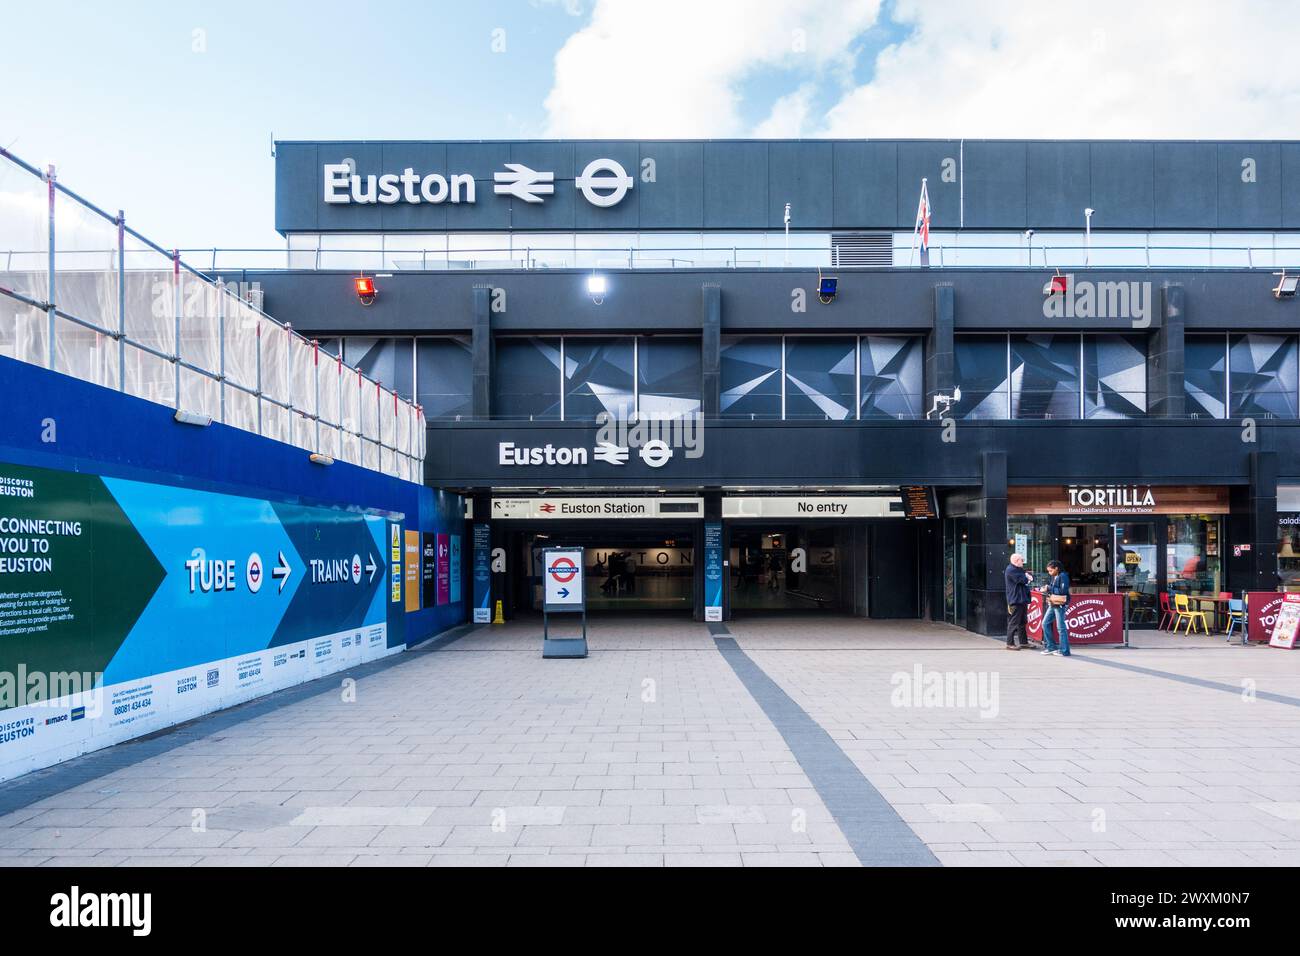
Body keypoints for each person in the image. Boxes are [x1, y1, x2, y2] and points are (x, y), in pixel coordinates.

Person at [1038, 559, 1071, 657]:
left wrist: (1049, 588)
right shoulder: (1055, 576)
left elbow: (1063, 591)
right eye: (1048, 571)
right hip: (1053, 603)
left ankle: (1064, 650)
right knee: (1045, 623)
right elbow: (1054, 589)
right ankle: (1051, 647)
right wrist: (1047, 589)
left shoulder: (1063, 576)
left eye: (1050, 570)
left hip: (1060, 604)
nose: (1049, 573)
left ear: (1056, 568)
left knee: (1061, 628)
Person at [1004, 553, 1034, 649]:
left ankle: (1023, 642)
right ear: (1016, 561)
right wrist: (1027, 578)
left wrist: (1027, 577)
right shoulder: (1011, 570)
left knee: (1022, 622)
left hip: (1021, 599)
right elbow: (1023, 580)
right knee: (1014, 622)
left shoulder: (1017, 569)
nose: (1023, 562)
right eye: (1021, 560)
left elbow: (1025, 577)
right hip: (1015, 599)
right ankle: (1010, 643)